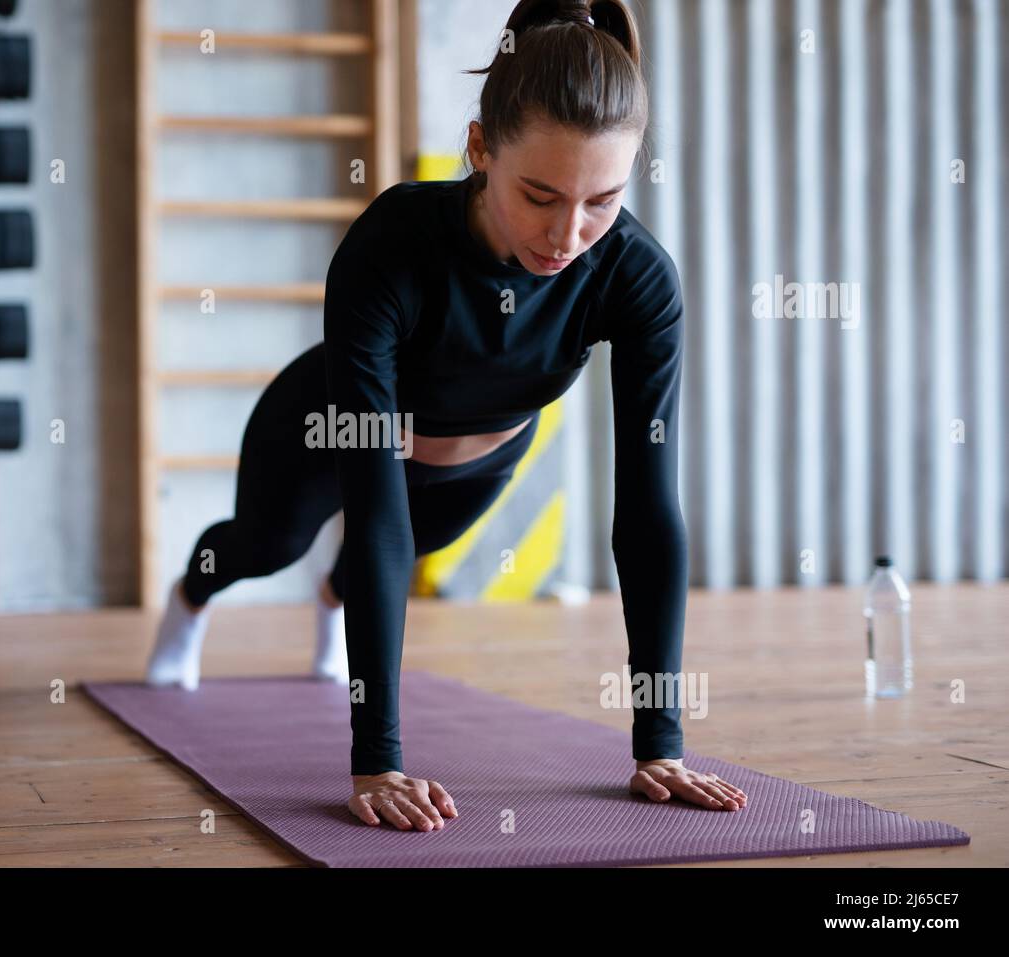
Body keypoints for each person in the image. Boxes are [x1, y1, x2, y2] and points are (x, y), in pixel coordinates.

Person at [144, 0, 747, 832]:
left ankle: (332, 594)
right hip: (332, 428)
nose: (568, 234)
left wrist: (662, 742)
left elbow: (646, 510)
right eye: (539, 195)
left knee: (369, 566)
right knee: (268, 543)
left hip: (481, 457)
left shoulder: (638, 277)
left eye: (601, 200)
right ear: (479, 150)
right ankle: (192, 594)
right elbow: (374, 492)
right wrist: (378, 759)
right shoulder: (391, 243)